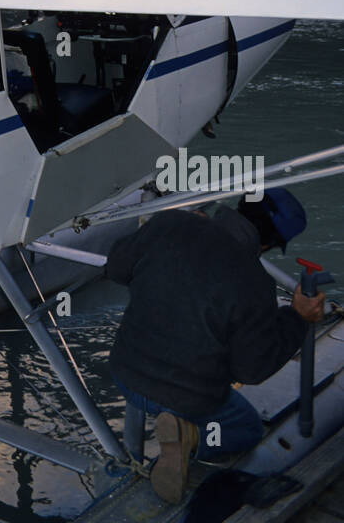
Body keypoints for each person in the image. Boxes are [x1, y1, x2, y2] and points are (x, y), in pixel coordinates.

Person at [106, 187, 325, 503]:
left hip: (125, 374)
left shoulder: (168, 224)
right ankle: (190, 437)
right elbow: (252, 370)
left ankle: (170, 432)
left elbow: (116, 268)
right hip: (187, 398)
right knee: (246, 428)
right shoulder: (254, 283)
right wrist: (298, 317)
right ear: (271, 244)